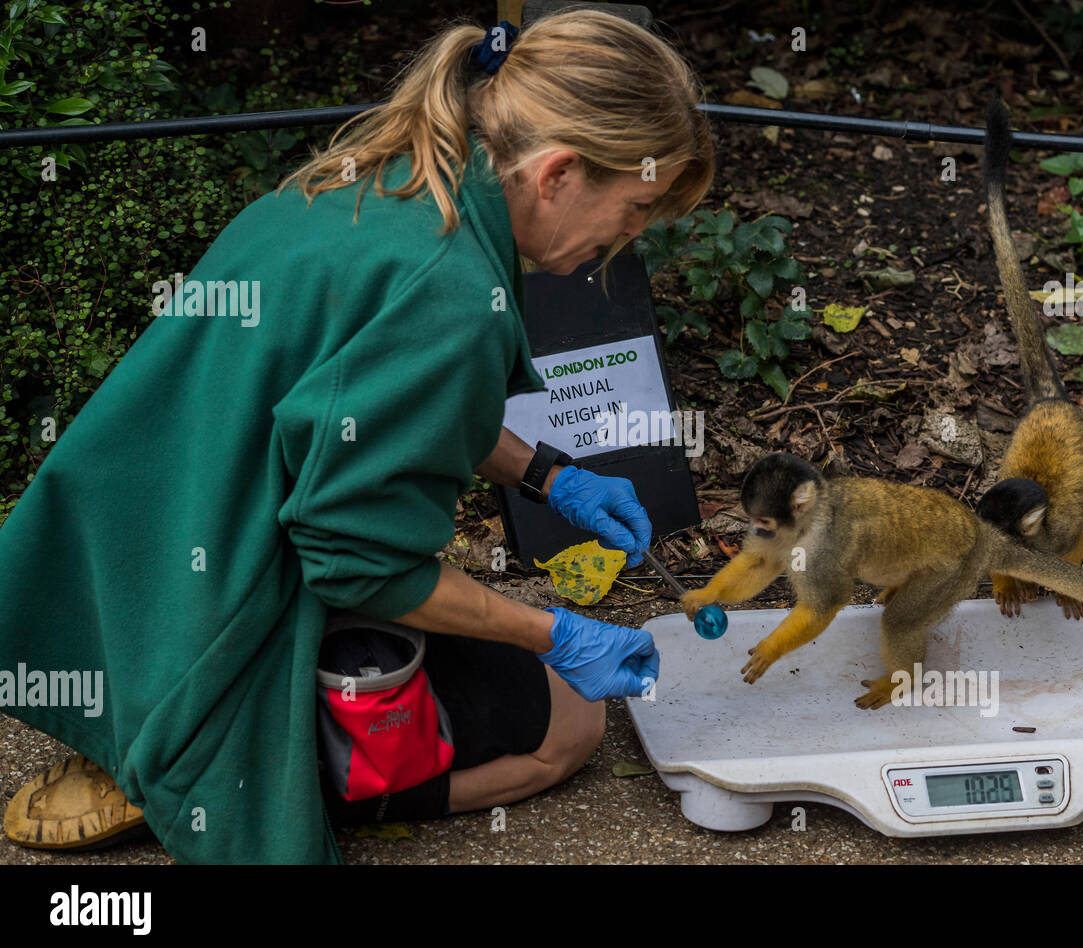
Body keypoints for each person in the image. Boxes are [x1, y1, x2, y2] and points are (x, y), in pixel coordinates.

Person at [0, 10, 714, 864]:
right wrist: (553, 631)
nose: (629, 239)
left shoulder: (387, 174)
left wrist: (553, 477)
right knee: (573, 722)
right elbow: (359, 564)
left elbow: (364, 409)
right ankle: (220, 773)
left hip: (119, 581)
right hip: (207, 620)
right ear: (559, 171)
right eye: (636, 208)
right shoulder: (451, 297)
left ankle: (145, 731)